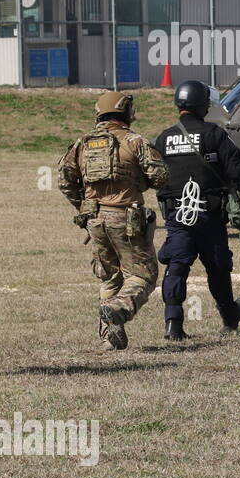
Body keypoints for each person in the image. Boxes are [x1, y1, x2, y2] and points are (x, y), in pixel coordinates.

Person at [57, 91, 169, 351]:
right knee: (143, 276)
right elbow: (161, 177)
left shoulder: (82, 143)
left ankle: (108, 338)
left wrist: (84, 207)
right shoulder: (135, 141)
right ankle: (117, 310)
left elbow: (65, 181)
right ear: (127, 113)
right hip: (126, 218)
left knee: (109, 277)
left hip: (94, 218)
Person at [152, 80, 240, 340]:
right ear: (203, 105)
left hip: (177, 215)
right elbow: (237, 171)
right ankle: (230, 316)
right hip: (210, 214)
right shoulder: (215, 134)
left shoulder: (163, 137)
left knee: (177, 265)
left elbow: (153, 177)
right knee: (218, 268)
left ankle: (173, 324)